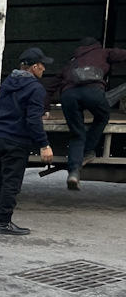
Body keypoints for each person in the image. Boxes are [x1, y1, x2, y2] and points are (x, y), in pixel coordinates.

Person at [0, 47, 54, 236]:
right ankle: (4, 223)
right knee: (11, 183)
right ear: (34, 67)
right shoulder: (36, 88)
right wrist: (44, 145)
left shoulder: (8, 82)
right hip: (16, 141)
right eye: (42, 65)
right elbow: (33, 120)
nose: (44, 69)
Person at [44, 37, 126, 190]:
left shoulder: (71, 63)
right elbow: (121, 54)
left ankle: (74, 172)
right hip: (93, 93)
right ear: (96, 45)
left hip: (69, 96)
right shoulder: (103, 52)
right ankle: (87, 152)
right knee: (102, 117)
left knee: (77, 133)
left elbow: (49, 88)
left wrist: (45, 109)